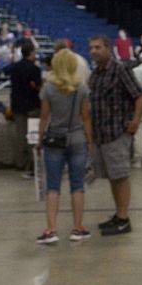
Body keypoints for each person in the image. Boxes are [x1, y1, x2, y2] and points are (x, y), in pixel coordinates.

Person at [88, 35, 142, 237]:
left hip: (117, 133)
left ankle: (123, 219)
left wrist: (135, 121)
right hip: (101, 135)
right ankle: (118, 214)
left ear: (108, 48)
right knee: (113, 177)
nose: (94, 51)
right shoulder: (95, 74)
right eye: (91, 48)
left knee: (120, 177)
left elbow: (139, 95)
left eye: (98, 47)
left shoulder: (120, 69)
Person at [35, 49, 93, 244]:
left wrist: (40, 139)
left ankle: (51, 229)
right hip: (77, 138)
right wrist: (90, 141)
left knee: (53, 186)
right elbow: (85, 117)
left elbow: (44, 117)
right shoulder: (82, 88)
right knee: (78, 185)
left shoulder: (49, 88)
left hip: (54, 139)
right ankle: (78, 227)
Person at [9, 39, 42, 175]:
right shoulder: (34, 68)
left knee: (20, 135)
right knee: (33, 136)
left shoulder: (14, 67)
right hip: (32, 105)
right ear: (31, 53)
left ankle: (20, 163)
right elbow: (38, 86)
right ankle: (33, 164)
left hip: (17, 105)